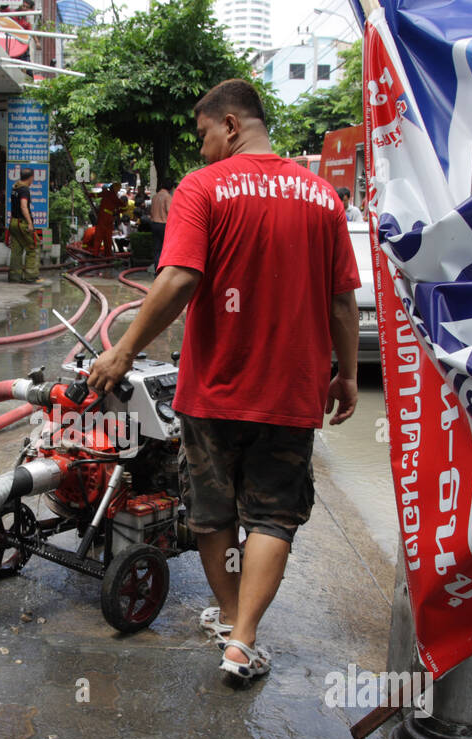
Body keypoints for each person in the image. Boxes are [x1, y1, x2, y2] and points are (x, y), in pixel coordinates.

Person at [87, 79, 360, 680]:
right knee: (273, 516)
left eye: (205, 134)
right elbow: (344, 303)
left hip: (213, 390)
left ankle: (231, 618)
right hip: (292, 390)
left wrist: (125, 352)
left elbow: (180, 278)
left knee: (212, 516)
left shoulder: (202, 188)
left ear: (231, 125)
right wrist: (344, 375)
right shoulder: (322, 197)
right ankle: (244, 638)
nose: (203, 148)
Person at [7, 168, 41, 284]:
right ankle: (30, 276)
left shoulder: (15, 187)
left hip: (14, 222)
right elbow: (23, 206)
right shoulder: (24, 190)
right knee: (34, 247)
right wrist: (30, 223)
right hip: (22, 223)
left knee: (17, 249)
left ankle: (14, 276)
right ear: (31, 177)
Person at [150, 178, 173, 273]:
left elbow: (151, 212)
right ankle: (164, 271)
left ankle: (157, 270)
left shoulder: (155, 197)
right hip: (164, 225)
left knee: (157, 249)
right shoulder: (167, 197)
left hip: (154, 224)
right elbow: (170, 211)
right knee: (166, 249)